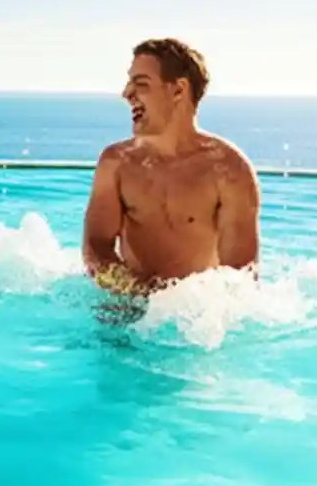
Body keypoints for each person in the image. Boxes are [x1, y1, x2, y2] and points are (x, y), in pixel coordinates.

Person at [82, 38, 260, 295]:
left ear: (178, 90)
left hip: (191, 321)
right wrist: (134, 296)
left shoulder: (229, 171)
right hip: (125, 312)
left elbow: (240, 277)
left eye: (141, 84)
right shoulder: (117, 163)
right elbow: (96, 248)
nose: (127, 94)